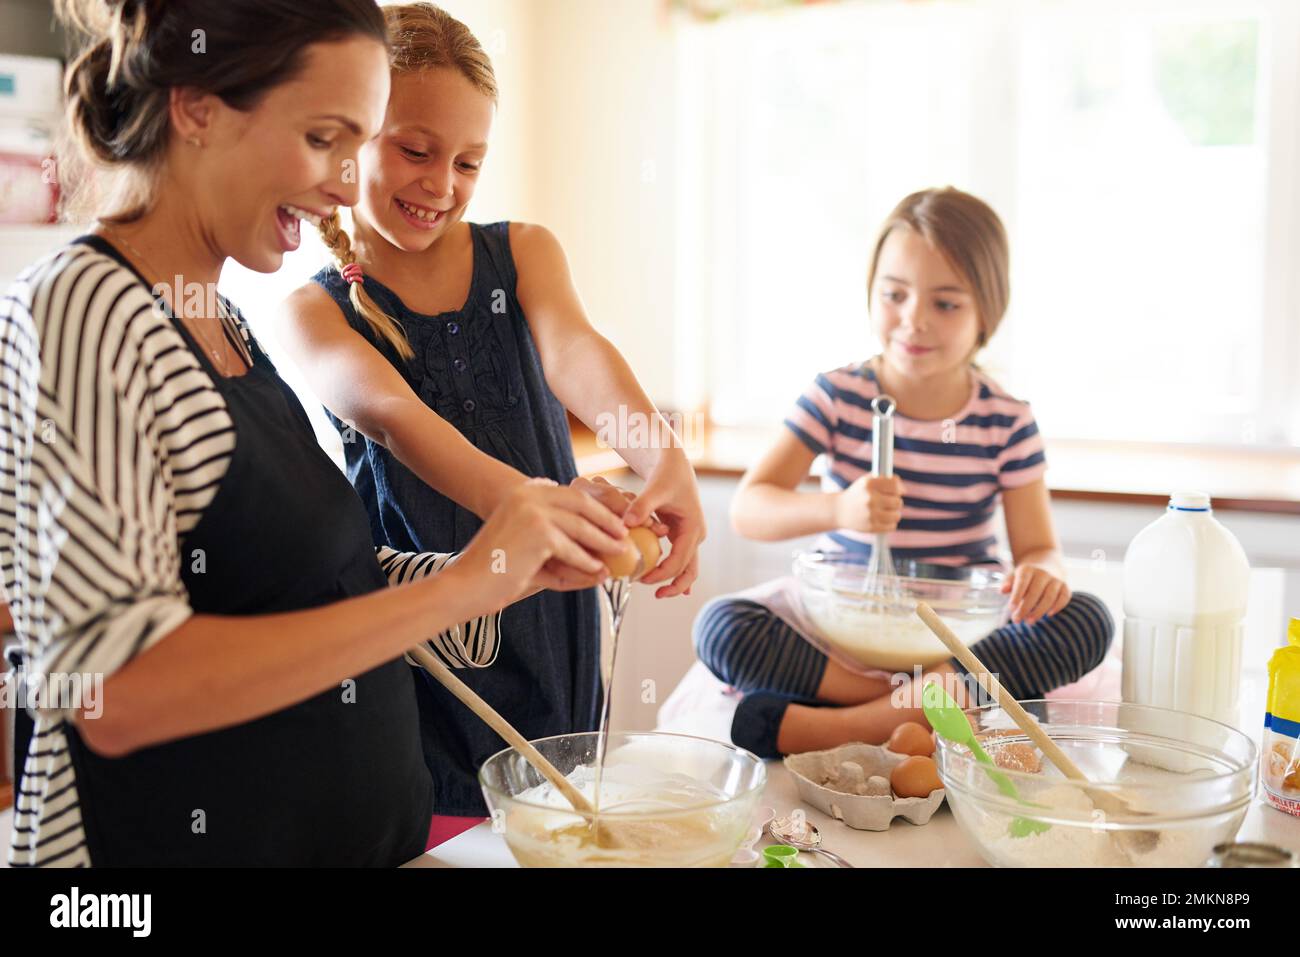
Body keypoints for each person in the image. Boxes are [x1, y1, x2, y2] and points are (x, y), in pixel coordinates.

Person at [0, 0, 631, 867]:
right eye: (326, 137)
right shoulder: (84, 306)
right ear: (196, 106)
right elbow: (119, 688)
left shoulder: (221, 323)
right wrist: (465, 583)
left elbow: (303, 583)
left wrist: (510, 566)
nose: (343, 182)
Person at [277, 3, 706, 817]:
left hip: (552, 614)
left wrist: (665, 460)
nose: (442, 185)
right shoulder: (313, 311)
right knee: (450, 823)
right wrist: (532, 506)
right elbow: (396, 419)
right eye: (415, 150)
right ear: (354, 131)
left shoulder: (525, 251)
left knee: (559, 808)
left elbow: (578, 354)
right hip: (432, 638)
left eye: (469, 162)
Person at [692, 188, 1114, 759]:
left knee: (1086, 621)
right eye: (894, 294)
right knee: (721, 626)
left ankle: (845, 724)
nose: (913, 320)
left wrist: (1042, 574)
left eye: (945, 303)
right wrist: (837, 510)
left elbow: (1039, 548)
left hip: (959, 637)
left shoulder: (1005, 421)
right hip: (843, 630)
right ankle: (923, 704)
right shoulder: (837, 396)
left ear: (988, 311)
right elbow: (750, 508)